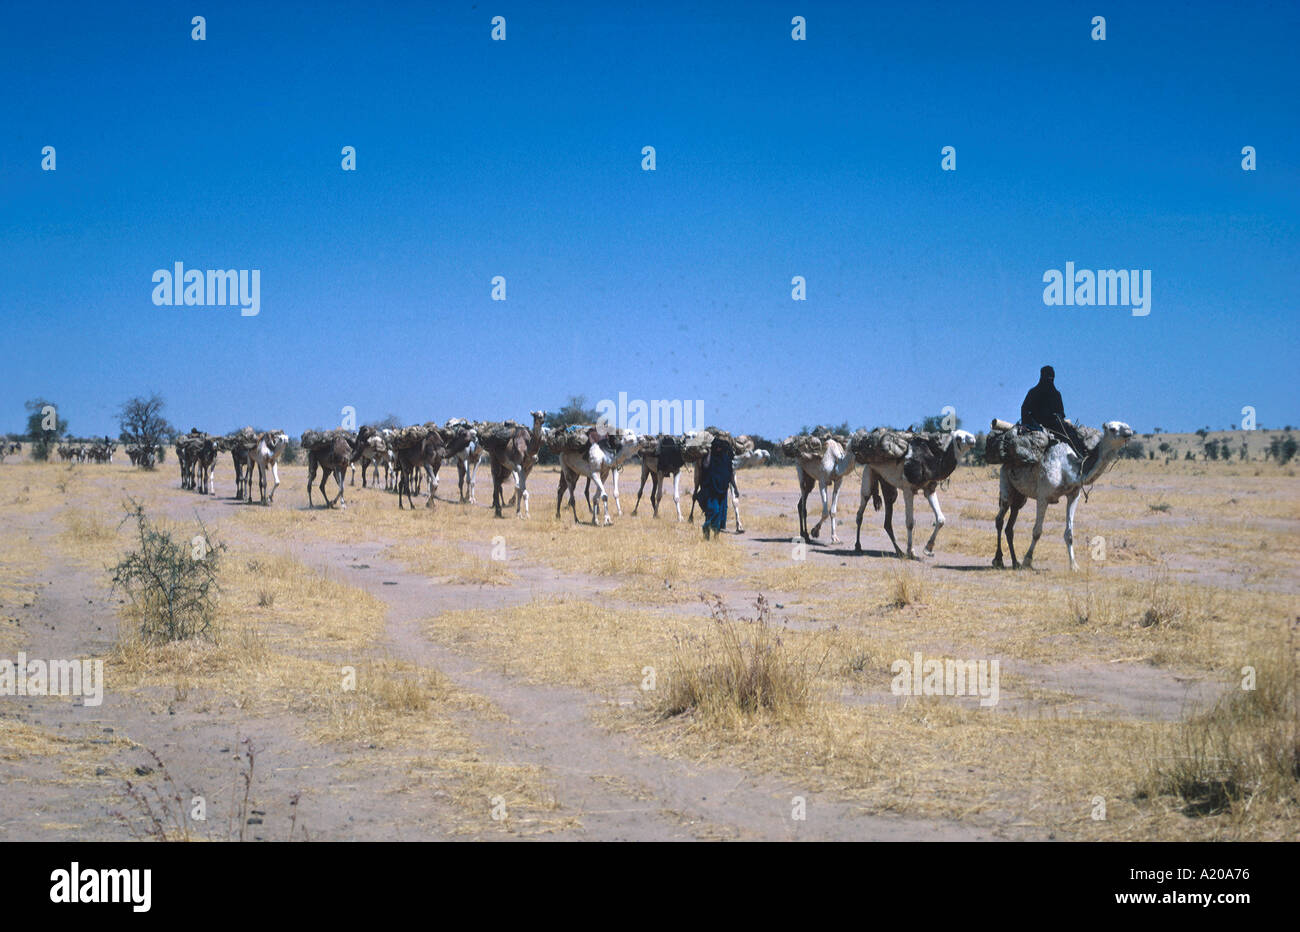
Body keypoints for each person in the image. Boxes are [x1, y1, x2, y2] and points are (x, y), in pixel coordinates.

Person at [1021, 365, 1083, 453]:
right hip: (1041, 425)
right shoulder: (1036, 393)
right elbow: (1025, 410)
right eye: (1048, 377)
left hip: (1053, 423)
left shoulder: (1054, 394)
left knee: (1072, 432)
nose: (1049, 380)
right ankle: (1081, 455)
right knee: (1070, 434)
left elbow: (1061, 413)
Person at [696, 437, 735, 539]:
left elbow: (730, 474)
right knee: (714, 511)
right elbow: (705, 466)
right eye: (716, 447)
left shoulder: (725, 459)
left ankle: (715, 537)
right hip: (711, 490)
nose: (718, 449)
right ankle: (706, 528)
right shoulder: (709, 458)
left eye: (720, 447)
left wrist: (735, 488)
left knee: (721, 515)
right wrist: (709, 453)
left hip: (722, 491)